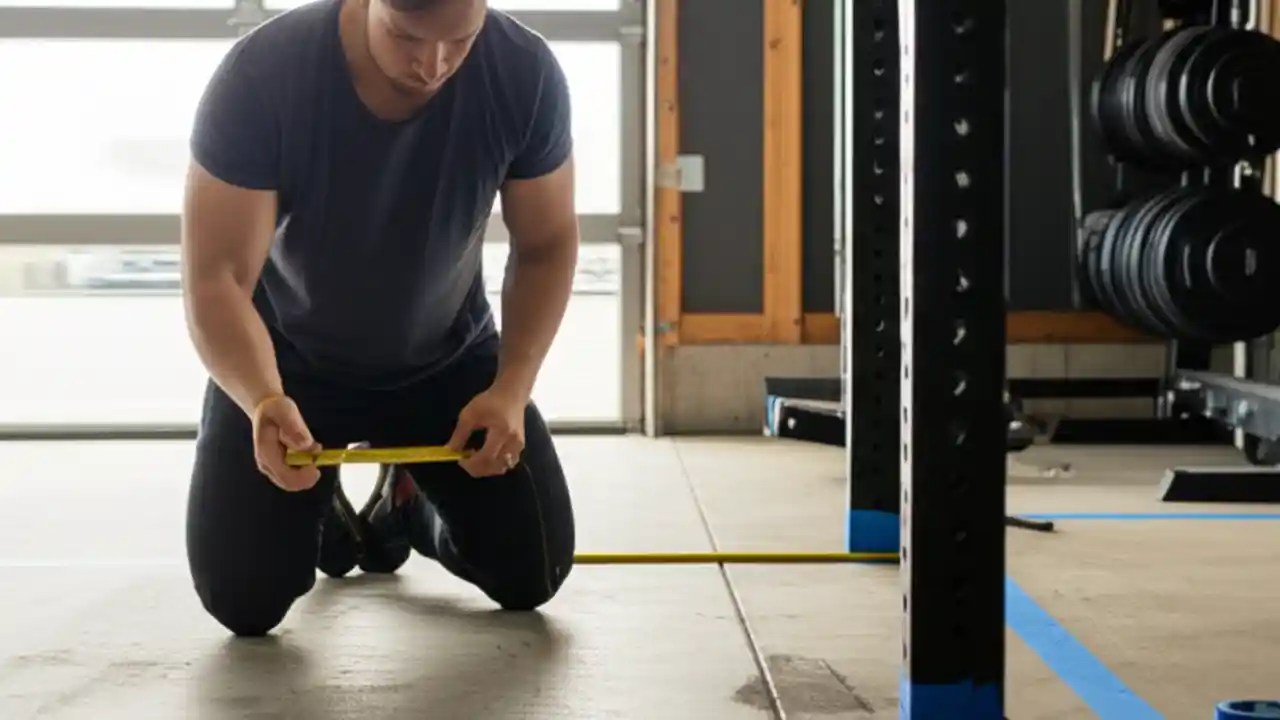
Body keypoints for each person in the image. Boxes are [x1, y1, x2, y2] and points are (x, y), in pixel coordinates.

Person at [180, 0, 579, 637]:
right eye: (406, 38)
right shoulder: (263, 75)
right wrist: (260, 398)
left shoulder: (524, 72)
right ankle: (326, 514)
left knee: (533, 574)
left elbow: (547, 245)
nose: (432, 65)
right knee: (244, 603)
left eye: (459, 41)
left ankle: (408, 508)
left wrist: (511, 389)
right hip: (288, 371)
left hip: (447, 361)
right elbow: (217, 277)